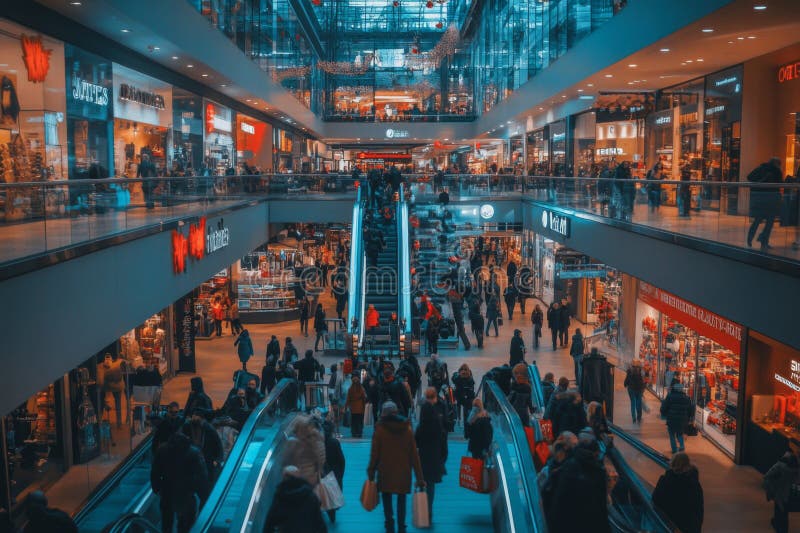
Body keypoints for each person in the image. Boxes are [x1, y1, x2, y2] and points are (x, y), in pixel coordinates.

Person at [367, 401, 425, 533]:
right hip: (403, 471)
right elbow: (414, 455)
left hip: (385, 471)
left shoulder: (380, 429)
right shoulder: (407, 428)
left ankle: (389, 523)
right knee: (402, 498)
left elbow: (374, 453)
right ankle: (401, 525)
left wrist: (371, 471)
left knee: (386, 497)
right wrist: (420, 477)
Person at [546, 432, 610, 533]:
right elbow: (602, 510)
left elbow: (553, 503)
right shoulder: (599, 473)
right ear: (596, 454)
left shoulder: (563, 469)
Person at [151, 432, 209, 533]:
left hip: (167, 491)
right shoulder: (194, 452)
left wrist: (157, 488)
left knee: (167, 523)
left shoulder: (162, 450)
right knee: (186, 524)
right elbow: (201, 476)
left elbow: (155, 472)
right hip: (186, 493)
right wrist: (203, 495)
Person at [263, 465, 327, 533]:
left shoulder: (281, 496)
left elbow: (270, 521)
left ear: (284, 477)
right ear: (299, 475)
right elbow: (319, 522)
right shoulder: (309, 494)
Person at [415, 392, 448, 524]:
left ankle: (422, 507)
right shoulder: (438, 426)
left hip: (422, 459)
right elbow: (443, 445)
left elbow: (415, 443)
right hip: (434, 459)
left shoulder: (421, 427)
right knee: (431, 486)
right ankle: (429, 509)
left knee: (423, 483)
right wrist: (442, 459)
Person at [652, 452, 704, 533]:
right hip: (690, 526)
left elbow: (655, 500)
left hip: (671, 525)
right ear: (687, 464)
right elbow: (698, 507)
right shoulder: (694, 483)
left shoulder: (665, 481)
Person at [747, 157, 783, 250]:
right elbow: (780, 184)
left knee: (757, 220)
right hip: (771, 199)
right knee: (769, 222)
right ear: (777, 164)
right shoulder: (776, 171)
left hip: (759, 198)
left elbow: (749, 177)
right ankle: (764, 241)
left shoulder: (760, 168)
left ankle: (750, 238)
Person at [763, 444, 800, 533]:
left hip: (782, 493)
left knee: (781, 511)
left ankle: (780, 527)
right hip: (796, 493)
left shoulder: (782, 464)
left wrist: (771, 491)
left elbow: (768, 477)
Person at [285, 414, 326, 487]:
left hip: (301, 480)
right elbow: (321, 460)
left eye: (296, 430)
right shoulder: (318, 438)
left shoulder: (294, 443)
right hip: (313, 479)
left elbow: (287, 461)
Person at [182, 412, 224, 482]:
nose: (195, 417)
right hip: (199, 459)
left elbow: (217, 444)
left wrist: (217, 460)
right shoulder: (188, 426)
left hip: (204, 460)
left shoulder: (208, 428)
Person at [660, 382, 694, 454]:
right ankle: (681, 446)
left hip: (671, 419)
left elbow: (664, 407)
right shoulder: (686, 398)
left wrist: (663, 413)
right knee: (679, 433)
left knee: (672, 435)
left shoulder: (670, 396)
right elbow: (690, 409)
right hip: (682, 420)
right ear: (682, 389)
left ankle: (674, 450)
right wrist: (690, 419)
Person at [322, 419, 345, 523]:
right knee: (333, 494)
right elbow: (341, 460)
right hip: (334, 473)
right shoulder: (334, 442)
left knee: (324, 493)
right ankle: (332, 512)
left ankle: (327, 510)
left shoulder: (319, 442)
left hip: (322, 472)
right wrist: (340, 474)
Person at [624, 359, 646, 424]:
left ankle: (634, 418)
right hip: (639, 389)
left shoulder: (630, 371)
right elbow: (643, 381)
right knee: (638, 403)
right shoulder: (641, 371)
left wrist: (625, 384)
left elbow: (627, 380)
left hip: (631, 389)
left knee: (633, 403)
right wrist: (643, 388)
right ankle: (639, 417)